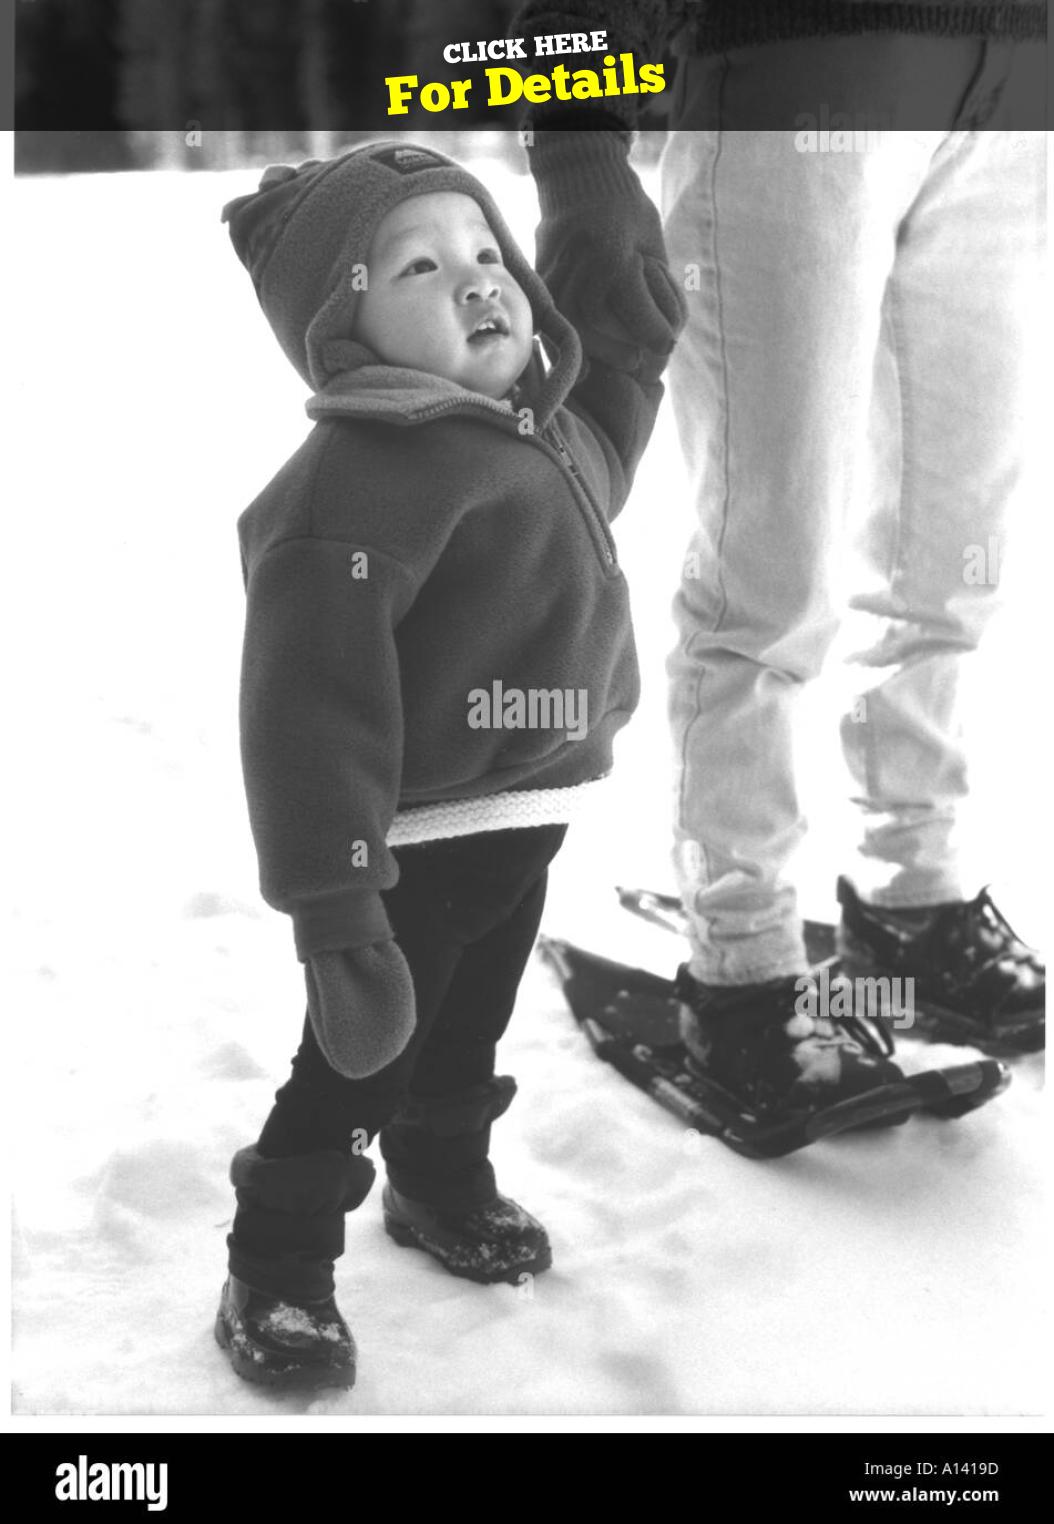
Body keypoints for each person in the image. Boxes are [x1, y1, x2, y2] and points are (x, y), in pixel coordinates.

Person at [515, 1, 1045, 1129]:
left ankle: (914, 902)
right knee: (771, 569)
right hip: (794, 63)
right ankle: (743, 967)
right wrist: (575, 141)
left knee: (950, 559)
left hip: (1014, 87)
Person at [215, 137, 684, 1390]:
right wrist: (336, 915)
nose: (477, 281)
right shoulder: (346, 493)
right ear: (342, 321)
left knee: (469, 1019)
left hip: (529, 808)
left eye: (486, 253)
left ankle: (438, 1176)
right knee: (358, 1056)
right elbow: (303, 719)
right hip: (411, 841)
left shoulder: (537, 432)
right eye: (420, 265)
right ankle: (277, 1259)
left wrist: (615, 267)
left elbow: (617, 401)